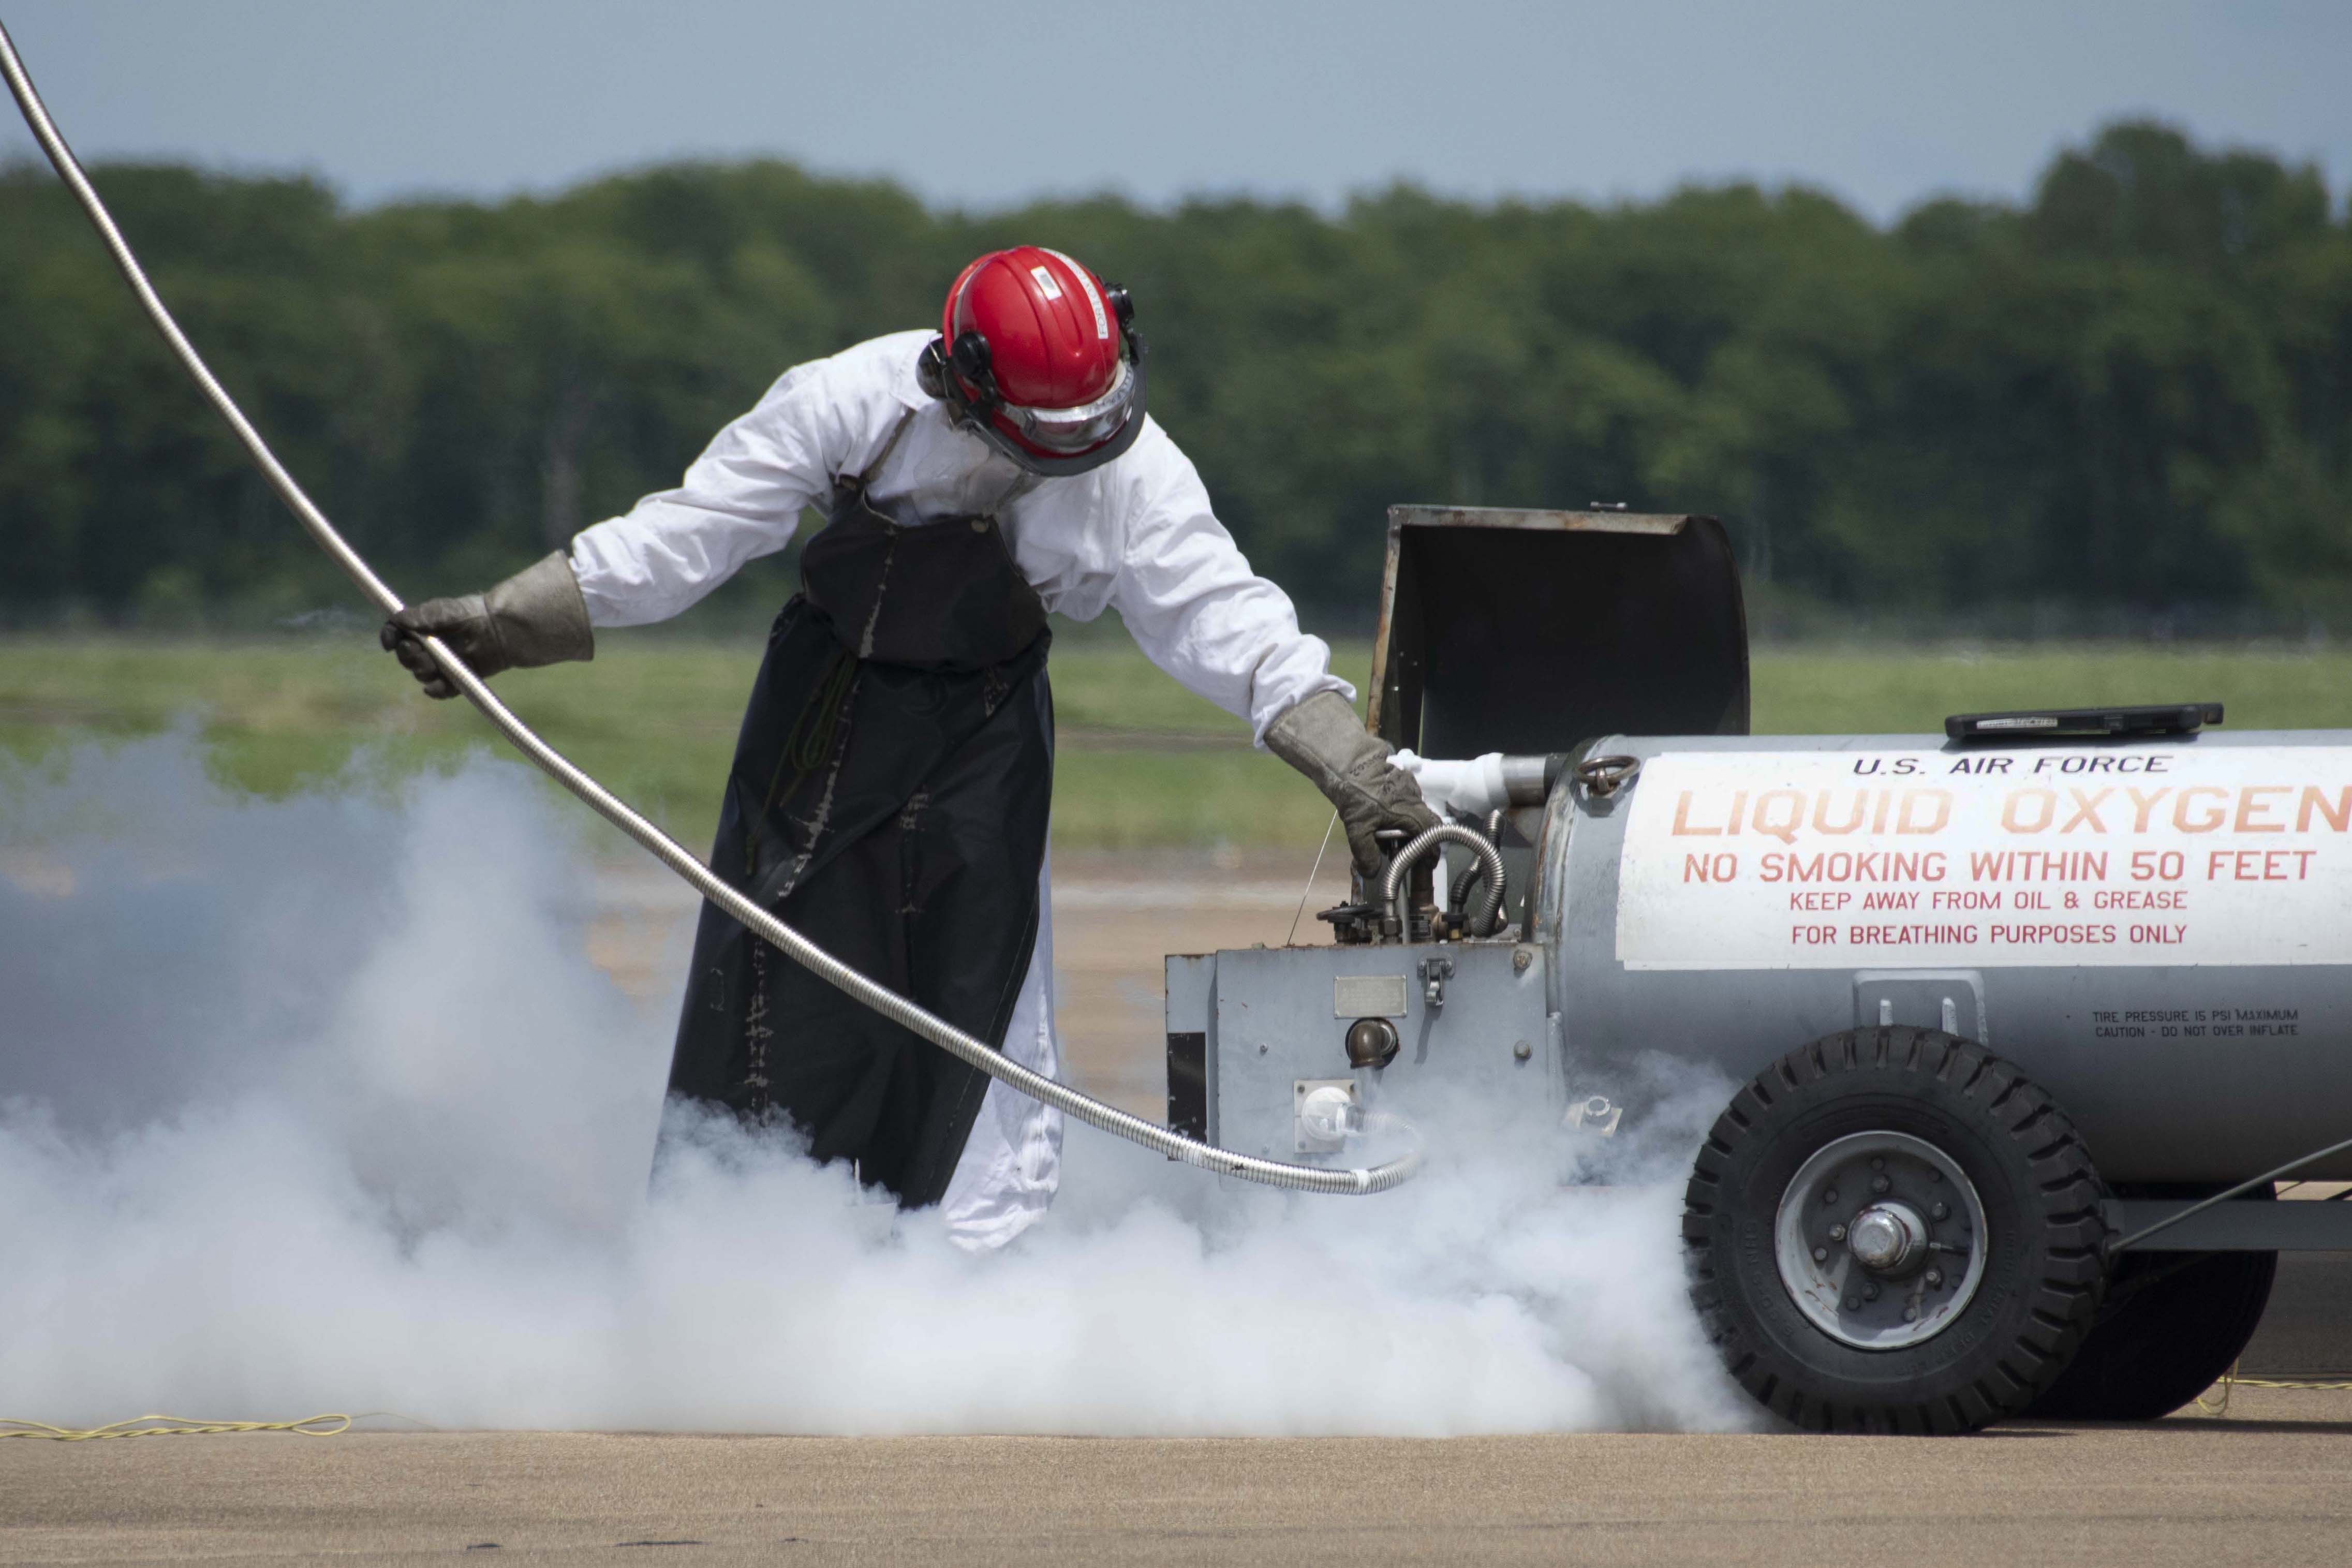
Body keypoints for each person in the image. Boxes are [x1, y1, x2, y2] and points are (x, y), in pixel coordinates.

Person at [381, 246, 1437, 1248]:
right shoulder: (846, 400)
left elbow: (1221, 614)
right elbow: (690, 532)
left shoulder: (1133, 468)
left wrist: (1351, 767)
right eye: (1044, 435)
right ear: (959, 383)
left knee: (987, 1011)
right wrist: (510, 620)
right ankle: (737, 1258)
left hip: (987, 734)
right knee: (772, 990)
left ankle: (968, 1275)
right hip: (821, 721)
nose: (1073, 453)